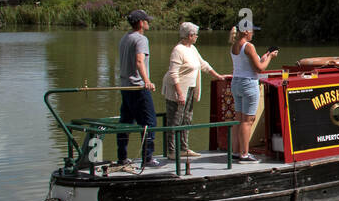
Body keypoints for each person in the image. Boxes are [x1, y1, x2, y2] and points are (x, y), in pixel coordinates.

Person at [162, 22, 228, 159]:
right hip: (177, 89)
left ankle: (184, 148)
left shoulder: (192, 48)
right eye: (196, 34)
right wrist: (180, 93)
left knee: (187, 119)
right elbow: (174, 73)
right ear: (190, 35)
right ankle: (172, 151)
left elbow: (203, 64)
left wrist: (218, 76)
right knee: (175, 119)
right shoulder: (178, 50)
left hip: (190, 88)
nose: (197, 37)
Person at [117, 9, 161, 168]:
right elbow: (139, 61)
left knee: (125, 123)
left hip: (125, 86)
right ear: (141, 23)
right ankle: (147, 158)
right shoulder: (141, 39)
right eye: (147, 21)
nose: (148, 23)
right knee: (150, 122)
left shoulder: (125, 38)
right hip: (137, 87)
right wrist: (147, 81)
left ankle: (122, 157)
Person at [229, 25, 278, 162]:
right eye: (252, 31)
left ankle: (235, 152)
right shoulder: (249, 46)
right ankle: (245, 154)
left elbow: (250, 65)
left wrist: (264, 57)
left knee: (238, 119)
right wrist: (270, 58)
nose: (253, 34)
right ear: (245, 31)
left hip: (236, 83)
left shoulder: (234, 45)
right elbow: (260, 69)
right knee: (248, 120)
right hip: (248, 84)